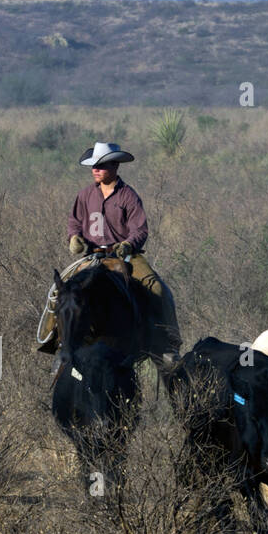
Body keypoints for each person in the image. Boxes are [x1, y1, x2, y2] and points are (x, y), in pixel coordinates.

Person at [37, 142, 182, 367]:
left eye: (102, 165)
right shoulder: (84, 195)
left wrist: (128, 244)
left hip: (125, 256)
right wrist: (74, 238)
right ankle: (56, 341)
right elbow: (74, 221)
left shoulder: (128, 196)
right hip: (92, 256)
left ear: (115, 166)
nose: (96, 169)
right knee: (62, 289)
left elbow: (140, 228)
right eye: (94, 166)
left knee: (155, 286)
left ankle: (168, 342)